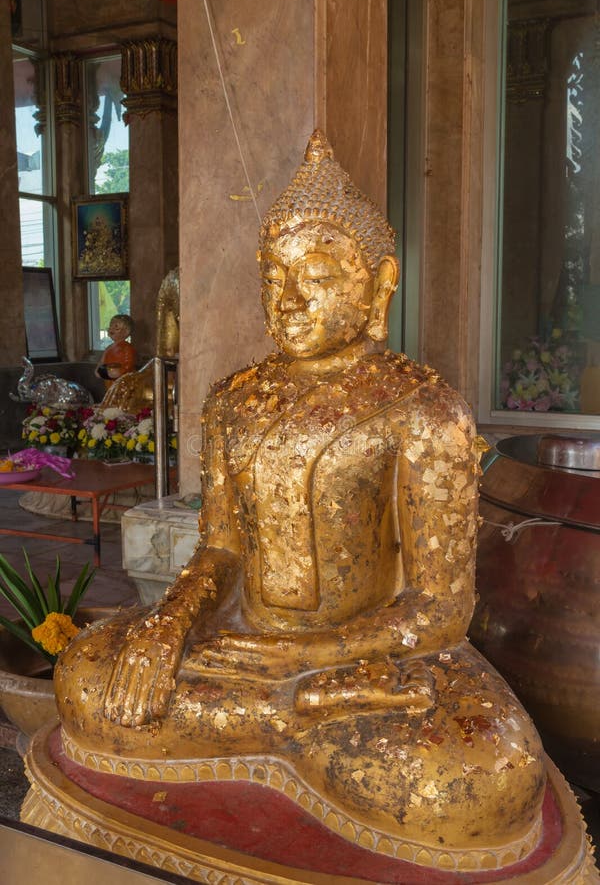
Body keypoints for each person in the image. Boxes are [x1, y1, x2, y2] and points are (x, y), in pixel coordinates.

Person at [55, 132, 545, 868]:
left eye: (314, 277)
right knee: (87, 676)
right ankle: (290, 719)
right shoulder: (234, 399)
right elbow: (221, 546)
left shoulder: (424, 408)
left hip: (368, 653)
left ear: (380, 284)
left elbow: (441, 609)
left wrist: (311, 654)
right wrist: (169, 624)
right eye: (272, 276)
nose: (286, 301)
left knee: (482, 778)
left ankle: (284, 714)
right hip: (245, 643)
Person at [95, 314, 137, 389]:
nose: (111, 329)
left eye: (116, 327)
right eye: (111, 326)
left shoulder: (127, 348)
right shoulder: (108, 348)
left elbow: (128, 365)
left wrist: (119, 372)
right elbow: (101, 362)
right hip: (109, 382)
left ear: (126, 331)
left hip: (123, 385)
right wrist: (99, 370)